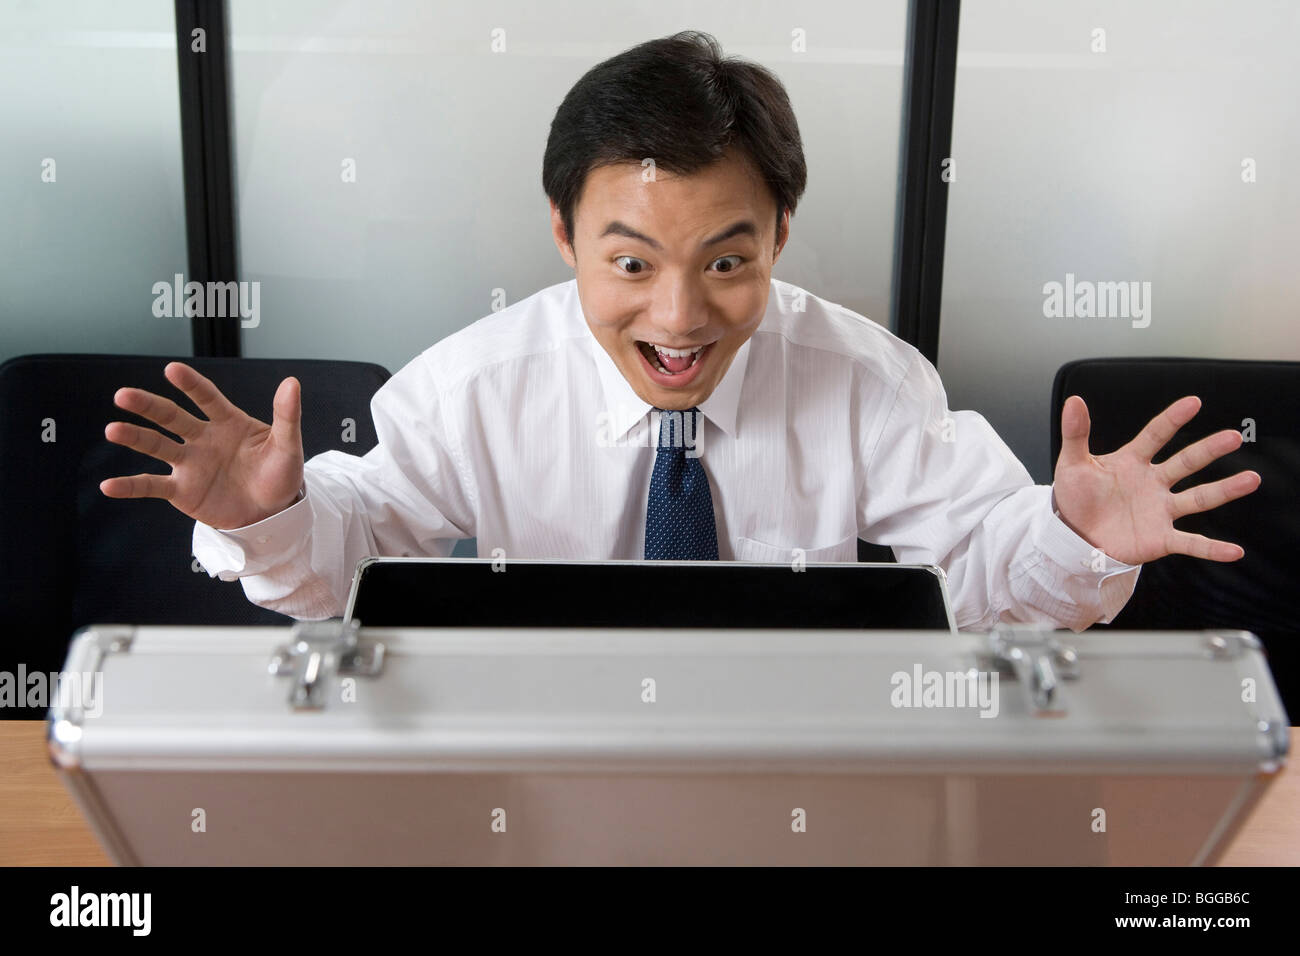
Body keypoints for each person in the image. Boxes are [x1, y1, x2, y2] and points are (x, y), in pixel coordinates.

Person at [99, 31, 1259, 628]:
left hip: (793, 775)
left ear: (781, 234)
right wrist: (273, 518)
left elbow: (991, 577)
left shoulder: (864, 379)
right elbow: (345, 556)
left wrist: (1071, 530)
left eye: (726, 261)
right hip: (538, 773)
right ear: (560, 234)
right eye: (630, 263)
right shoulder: (475, 386)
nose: (678, 316)